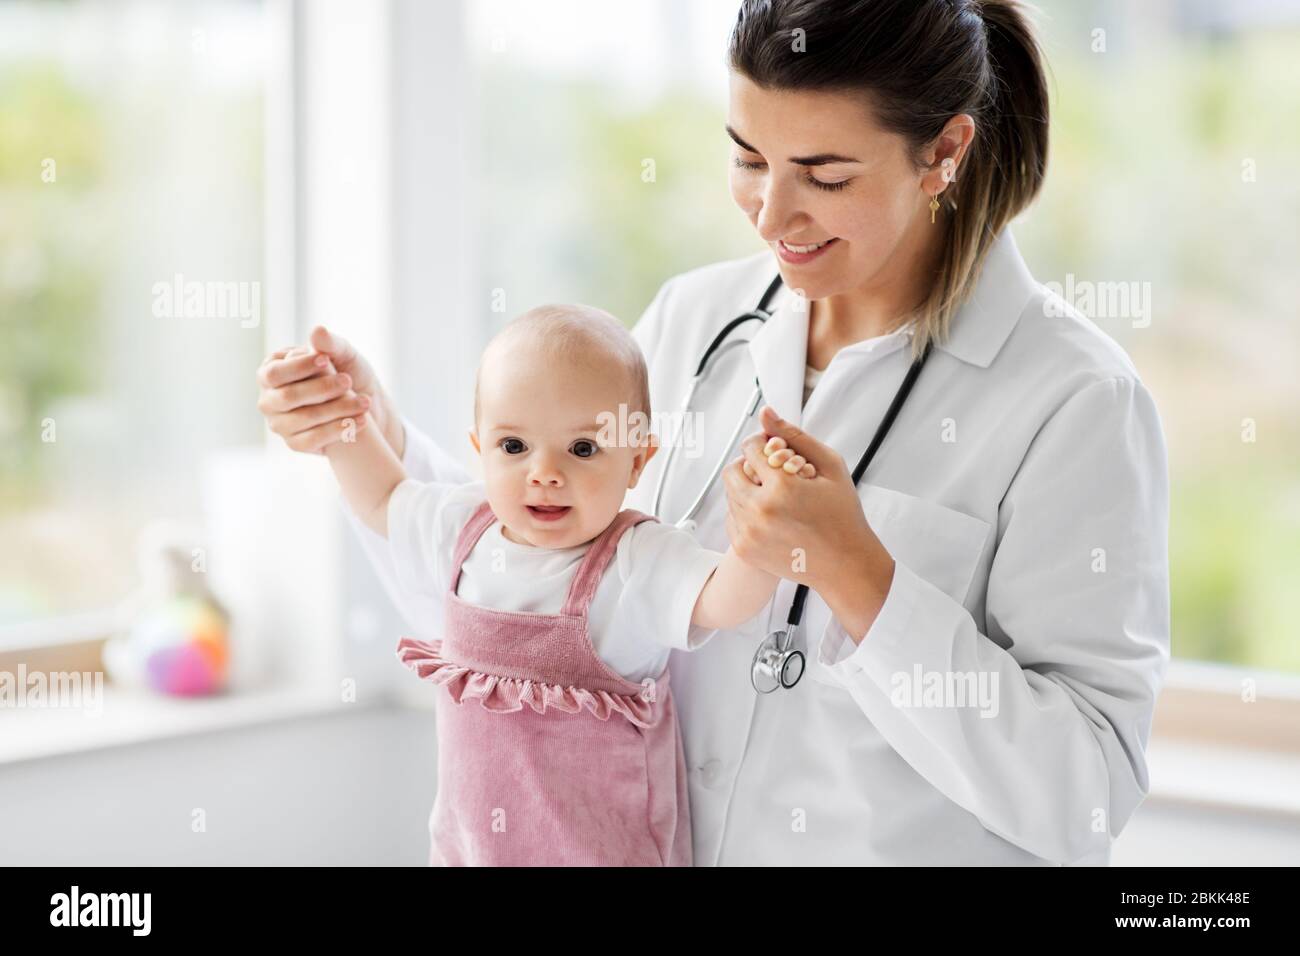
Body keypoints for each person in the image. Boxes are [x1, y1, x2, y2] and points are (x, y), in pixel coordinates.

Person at [257, 0, 1170, 865]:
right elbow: (536, 587)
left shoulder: (1076, 401)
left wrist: (863, 579)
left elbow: (1084, 792)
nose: (772, 215)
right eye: (747, 158)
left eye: (824, 175)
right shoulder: (695, 322)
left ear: (944, 151)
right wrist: (363, 432)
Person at [316, 302, 809, 865]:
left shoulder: (634, 560)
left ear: (637, 462)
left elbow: (726, 599)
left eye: (582, 449)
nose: (544, 472)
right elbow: (381, 497)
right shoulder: (459, 527)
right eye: (514, 446)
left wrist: (768, 533)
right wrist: (342, 422)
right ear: (480, 449)